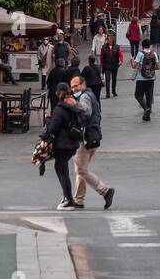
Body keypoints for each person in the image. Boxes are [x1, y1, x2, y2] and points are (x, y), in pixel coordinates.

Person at [69, 74, 114, 210]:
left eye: (76, 86)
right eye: (72, 87)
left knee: (81, 169)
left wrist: (73, 104)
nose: (74, 89)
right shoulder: (90, 94)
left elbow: (86, 112)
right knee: (80, 169)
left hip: (85, 138)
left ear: (83, 84)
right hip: (92, 136)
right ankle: (78, 200)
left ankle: (105, 191)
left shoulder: (84, 96)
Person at [41, 82, 83, 210]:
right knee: (60, 168)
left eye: (56, 91)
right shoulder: (74, 105)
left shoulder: (60, 108)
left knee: (62, 171)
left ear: (59, 93)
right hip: (73, 143)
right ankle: (67, 197)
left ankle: (68, 199)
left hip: (62, 144)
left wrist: (48, 119)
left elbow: (53, 128)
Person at [131, 37, 159, 120]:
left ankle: (145, 108)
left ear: (142, 46)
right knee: (149, 96)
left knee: (138, 95)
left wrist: (131, 60)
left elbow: (134, 66)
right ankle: (147, 116)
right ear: (149, 45)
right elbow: (158, 67)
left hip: (141, 78)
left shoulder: (140, 54)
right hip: (151, 78)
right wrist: (151, 68)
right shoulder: (154, 54)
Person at [99, 32, 121, 98]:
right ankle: (107, 93)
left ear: (112, 40)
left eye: (110, 39)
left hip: (114, 65)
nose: (109, 40)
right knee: (107, 79)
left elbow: (121, 55)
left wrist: (121, 61)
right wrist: (102, 64)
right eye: (108, 39)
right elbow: (102, 57)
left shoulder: (117, 46)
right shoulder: (104, 47)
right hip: (107, 65)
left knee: (114, 79)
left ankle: (114, 91)